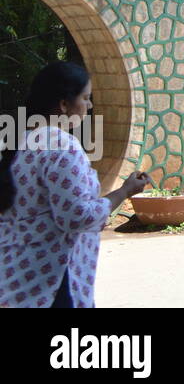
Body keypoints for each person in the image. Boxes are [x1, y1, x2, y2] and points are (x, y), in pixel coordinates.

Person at [0, 62, 152, 308]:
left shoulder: (20, 140)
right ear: (63, 104)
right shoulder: (63, 147)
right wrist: (124, 191)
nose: (89, 106)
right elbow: (76, 216)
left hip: (15, 277)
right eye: (85, 98)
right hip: (53, 281)